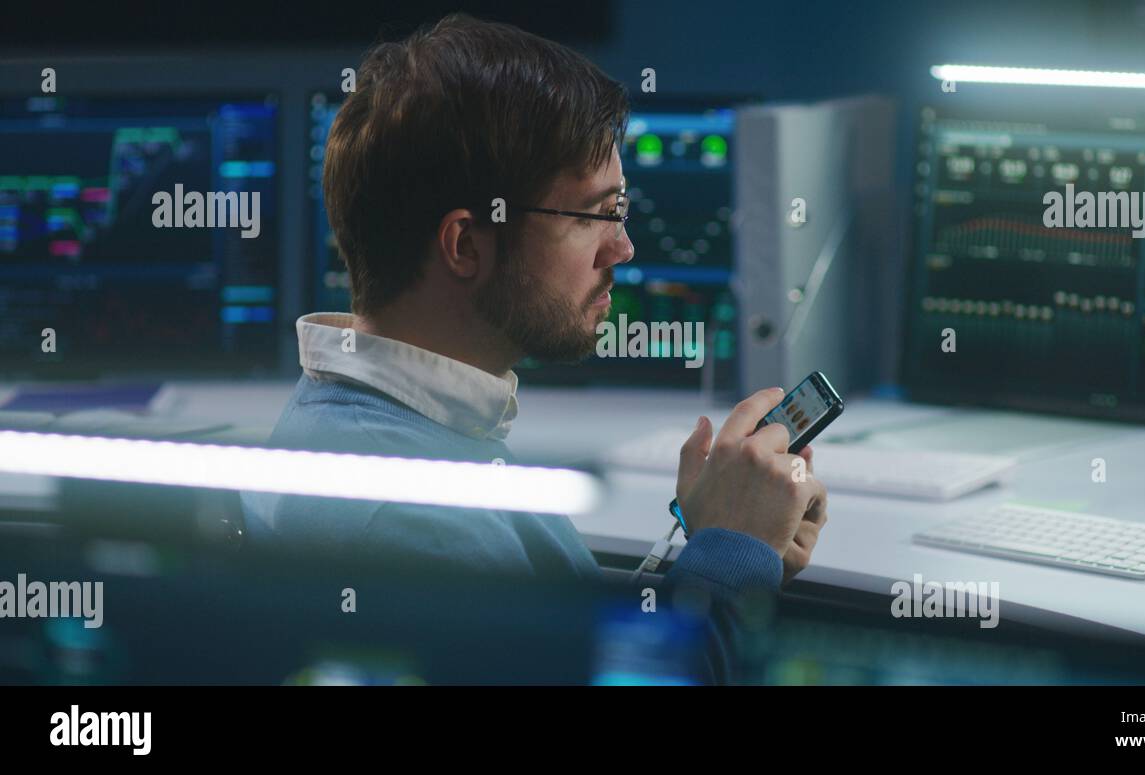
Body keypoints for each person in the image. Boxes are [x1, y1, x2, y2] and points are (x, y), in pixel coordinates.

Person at [241, 14, 828, 680]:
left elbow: (557, 657)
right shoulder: (418, 524)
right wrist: (733, 555)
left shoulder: (373, 415)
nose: (623, 247)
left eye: (622, 208)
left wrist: (713, 539)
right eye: (592, 215)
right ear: (466, 244)